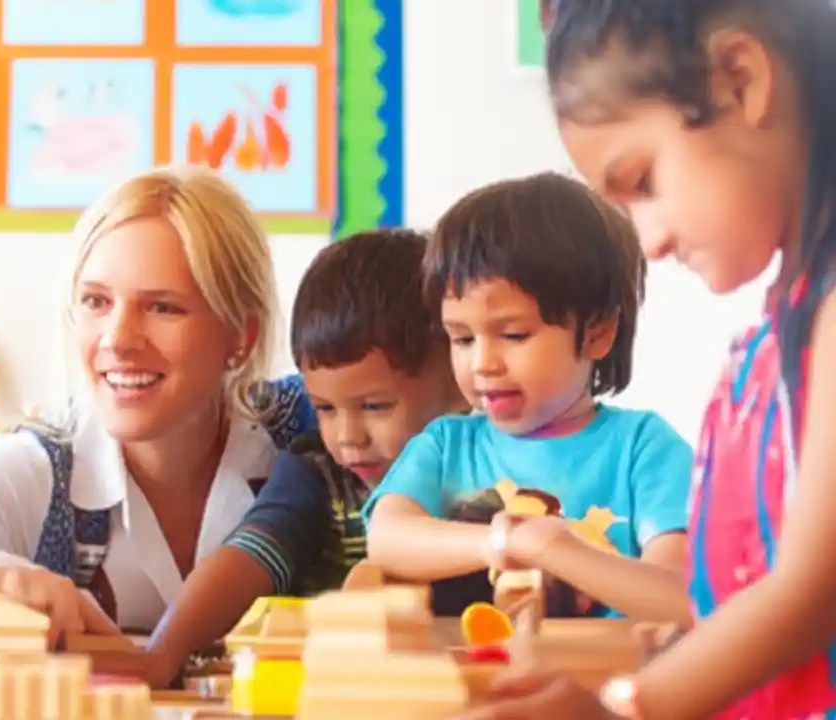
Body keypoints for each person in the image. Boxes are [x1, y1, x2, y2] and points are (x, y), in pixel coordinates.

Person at [459, 1, 836, 718]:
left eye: (644, 182)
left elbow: (813, 596)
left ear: (740, 79)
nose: (650, 240)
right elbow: (729, 603)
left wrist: (623, 707)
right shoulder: (783, 325)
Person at [0, 166, 301, 642]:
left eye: (163, 307)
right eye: (97, 302)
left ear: (241, 337)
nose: (118, 340)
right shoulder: (43, 464)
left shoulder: (309, 443)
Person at [136, 229, 469, 687]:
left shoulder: (490, 478)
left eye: (375, 406)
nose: (348, 437)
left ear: (456, 384)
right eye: (325, 409)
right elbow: (245, 560)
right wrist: (162, 650)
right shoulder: (317, 476)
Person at [363, 172, 694, 625]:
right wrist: (503, 542)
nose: (482, 363)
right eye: (461, 338)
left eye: (513, 334)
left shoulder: (644, 448)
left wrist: (557, 552)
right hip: (470, 687)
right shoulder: (445, 445)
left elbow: (681, 599)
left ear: (598, 332)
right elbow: (386, 537)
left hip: (602, 686)